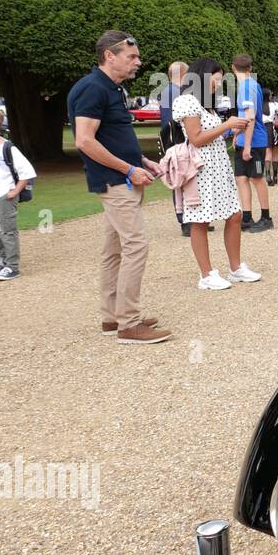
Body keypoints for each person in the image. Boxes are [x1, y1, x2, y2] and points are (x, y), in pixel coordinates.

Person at [67, 31, 170, 344]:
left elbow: (113, 135)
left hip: (125, 175)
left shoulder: (112, 88)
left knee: (113, 250)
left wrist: (143, 161)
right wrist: (128, 170)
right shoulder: (92, 88)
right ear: (109, 56)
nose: (138, 62)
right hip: (115, 181)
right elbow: (84, 140)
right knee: (136, 245)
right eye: (132, 56)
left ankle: (112, 316)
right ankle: (129, 323)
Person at [171, 57, 261, 290]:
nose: (218, 85)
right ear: (202, 77)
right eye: (216, 80)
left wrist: (231, 129)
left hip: (218, 167)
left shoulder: (205, 104)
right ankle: (206, 274)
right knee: (200, 220)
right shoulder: (186, 101)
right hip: (200, 169)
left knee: (234, 215)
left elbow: (211, 135)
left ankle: (235, 268)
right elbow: (197, 139)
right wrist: (226, 125)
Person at [231, 53, 273, 232]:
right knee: (241, 178)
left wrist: (247, 145)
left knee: (256, 178)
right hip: (244, 139)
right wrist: (237, 134)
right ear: (250, 68)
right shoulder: (247, 85)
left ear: (233, 68)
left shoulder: (247, 87)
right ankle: (246, 217)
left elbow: (250, 117)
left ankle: (266, 217)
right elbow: (245, 116)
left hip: (254, 141)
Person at [0, 106, 35, 281]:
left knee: (8, 231)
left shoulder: (7, 147)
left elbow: (27, 172)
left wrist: (15, 191)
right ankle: (1, 261)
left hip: (5, 195)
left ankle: (12, 267)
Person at [158, 61, 190, 236]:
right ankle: (185, 220)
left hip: (173, 140)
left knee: (183, 179)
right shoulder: (177, 92)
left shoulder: (167, 92)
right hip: (178, 140)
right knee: (181, 180)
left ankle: (189, 218)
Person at [262, 91, 278, 186]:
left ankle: (267, 174)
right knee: (275, 153)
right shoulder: (275, 105)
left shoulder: (257, 106)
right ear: (268, 96)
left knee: (267, 152)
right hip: (274, 129)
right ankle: (275, 176)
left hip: (262, 129)